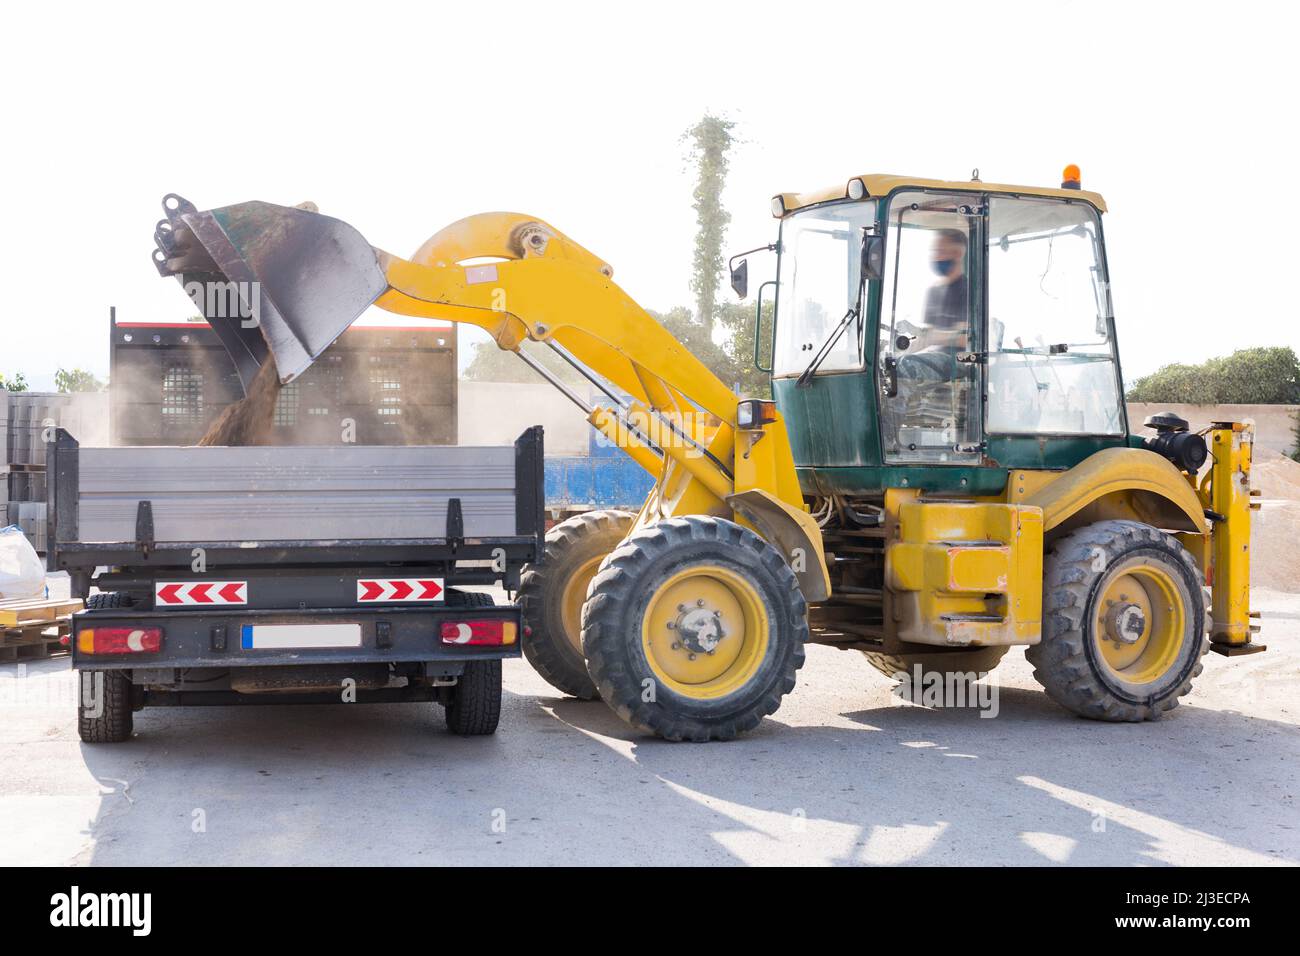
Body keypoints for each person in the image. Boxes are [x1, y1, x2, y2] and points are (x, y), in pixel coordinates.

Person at [917, 228, 969, 351]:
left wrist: (931, 336)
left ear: (958, 254)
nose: (935, 257)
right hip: (933, 360)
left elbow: (965, 337)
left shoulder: (969, 291)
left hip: (958, 365)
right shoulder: (933, 291)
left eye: (940, 251)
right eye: (933, 252)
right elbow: (925, 335)